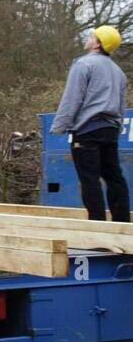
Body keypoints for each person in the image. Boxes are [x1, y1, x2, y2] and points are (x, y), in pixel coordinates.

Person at [52, 25, 129, 222]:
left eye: (92, 36)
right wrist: (117, 128)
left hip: (87, 130)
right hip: (110, 129)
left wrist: (59, 126)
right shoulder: (118, 72)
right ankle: (122, 223)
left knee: (89, 178)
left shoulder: (84, 64)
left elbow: (72, 98)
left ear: (97, 43)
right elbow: (121, 105)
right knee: (114, 177)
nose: (88, 37)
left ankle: (97, 224)